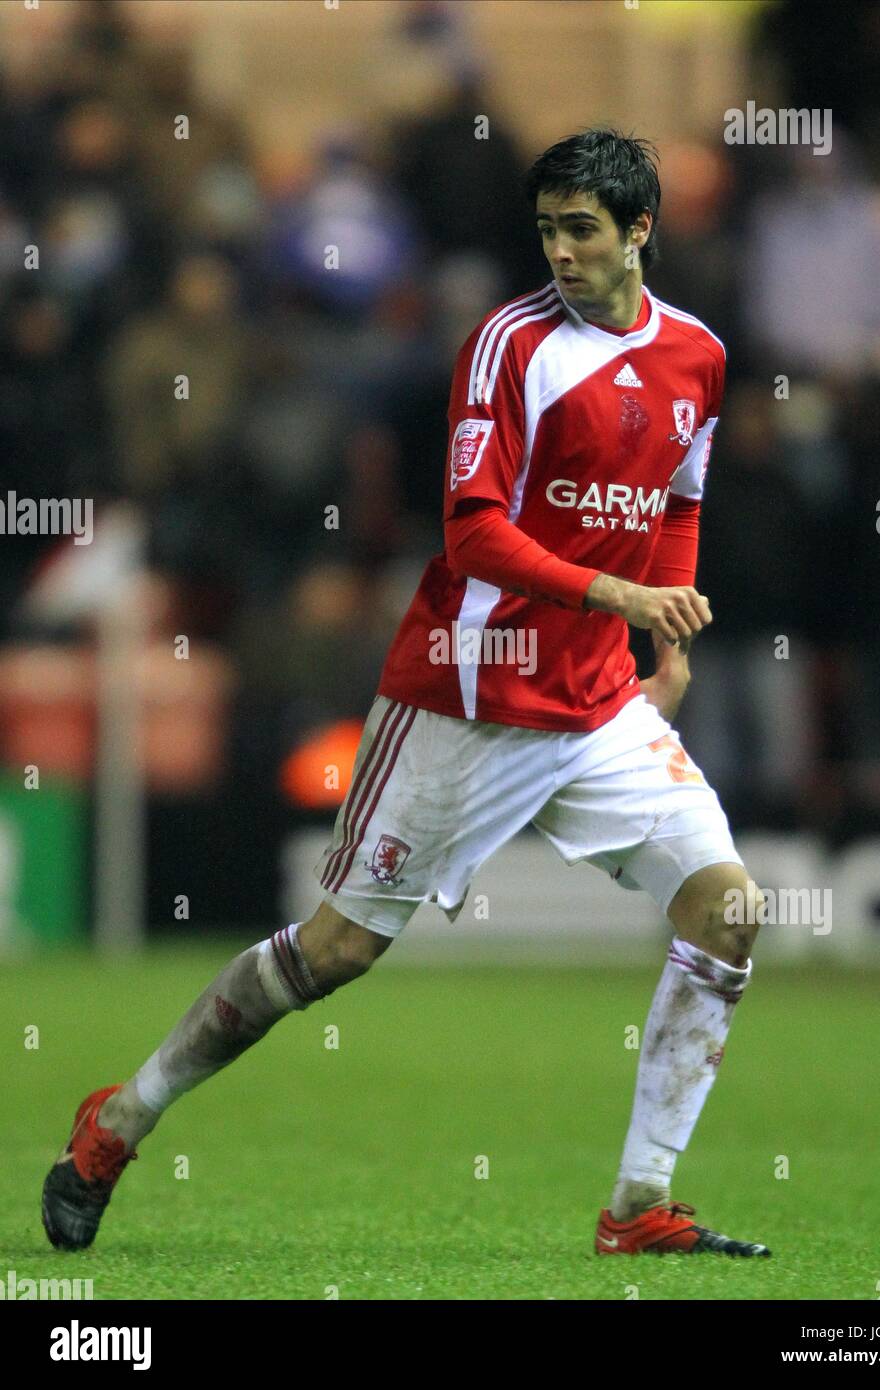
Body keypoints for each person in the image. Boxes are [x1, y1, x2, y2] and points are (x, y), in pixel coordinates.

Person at [43, 129, 770, 1259]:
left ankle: (638, 1205)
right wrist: (619, 593)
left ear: (640, 234)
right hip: (467, 695)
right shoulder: (509, 345)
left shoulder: (700, 356)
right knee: (331, 954)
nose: (563, 254)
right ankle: (122, 1116)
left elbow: (678, 494)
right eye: (548, 231)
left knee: (728, 908)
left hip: (593, 709)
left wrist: (662, 626)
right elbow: (474, 530)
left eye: (584, 231)